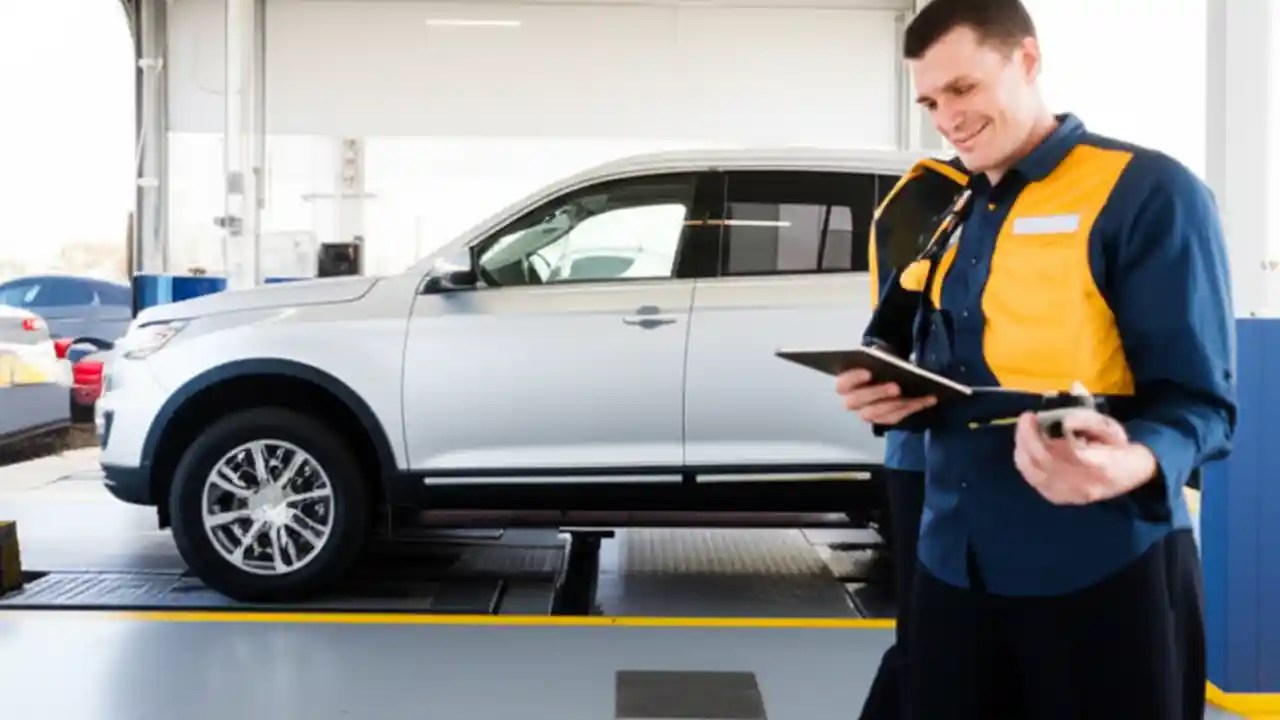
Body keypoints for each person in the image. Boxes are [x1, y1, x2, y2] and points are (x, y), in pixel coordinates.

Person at [835, 1, 1236, 718]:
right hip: (951, 562)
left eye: (964, 89)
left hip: (1100, 565)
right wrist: (883, 388)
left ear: (1026, 59)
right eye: (931, 101)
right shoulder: (947, 208)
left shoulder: (1146, 192)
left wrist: (1134, 459)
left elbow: (1201, 403)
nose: (948, 117)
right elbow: (908, 342)